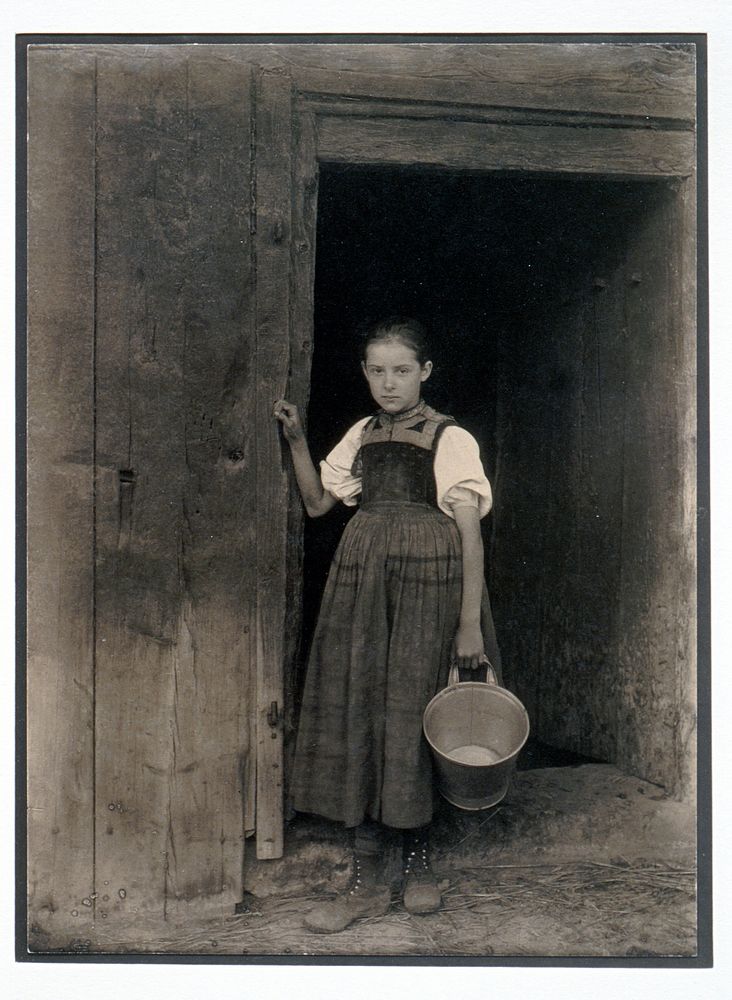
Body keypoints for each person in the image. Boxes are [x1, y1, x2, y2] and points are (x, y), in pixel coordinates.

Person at [273, 316, 501, 933]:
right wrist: (297, 441)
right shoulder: (362, 434)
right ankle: (367, 875)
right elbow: (321, 503)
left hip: (430, 585)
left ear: (425, 372)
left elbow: (469, 537)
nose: (388, 383)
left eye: (402, 370)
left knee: (415, 706)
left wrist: (469, 625)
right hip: (363, 583)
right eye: (377, 370)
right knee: (364, 705)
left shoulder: (449, 437)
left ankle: (419, 861)